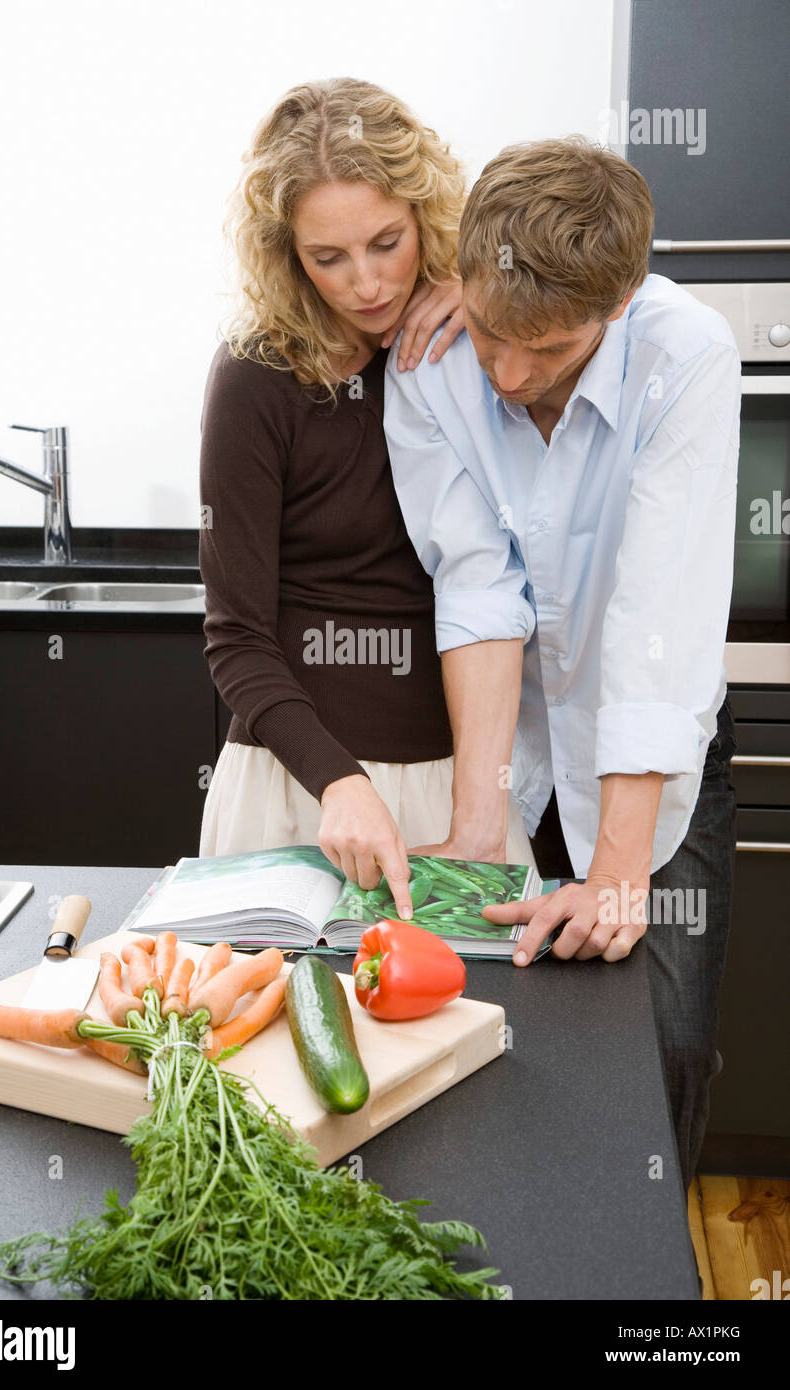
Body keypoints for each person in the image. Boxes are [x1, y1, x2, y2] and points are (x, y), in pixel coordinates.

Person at [383, 135, 740, 1196]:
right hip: (518, 738)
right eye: (492, 332)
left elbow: (654, 619)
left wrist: (620, 873)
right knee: (501, 1041)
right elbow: (477, 584)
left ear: (619, 301)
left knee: (662, 1047)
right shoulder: (434, 354)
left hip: (654, 752)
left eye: (546, 348)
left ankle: (649, 1293)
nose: (506, 373)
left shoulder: (686, 353)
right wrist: (478, 819)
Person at [196, 77, 539, 917]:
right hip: (301, 789)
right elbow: (235, 638)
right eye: (328, 258)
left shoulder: (478, 344)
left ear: (426, 210)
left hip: (458, 785)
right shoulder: (256, 378)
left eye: (388, 243)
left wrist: (490, 299)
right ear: (288, 256)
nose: (367, 284)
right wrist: (337, 782)